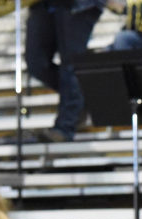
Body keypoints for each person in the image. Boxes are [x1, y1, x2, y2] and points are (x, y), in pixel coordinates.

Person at [26, 0, 106, 143]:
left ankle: (64, 128)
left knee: (70, 64)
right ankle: (81, 98)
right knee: (36, 63)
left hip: (80, 5)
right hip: (43, 4)